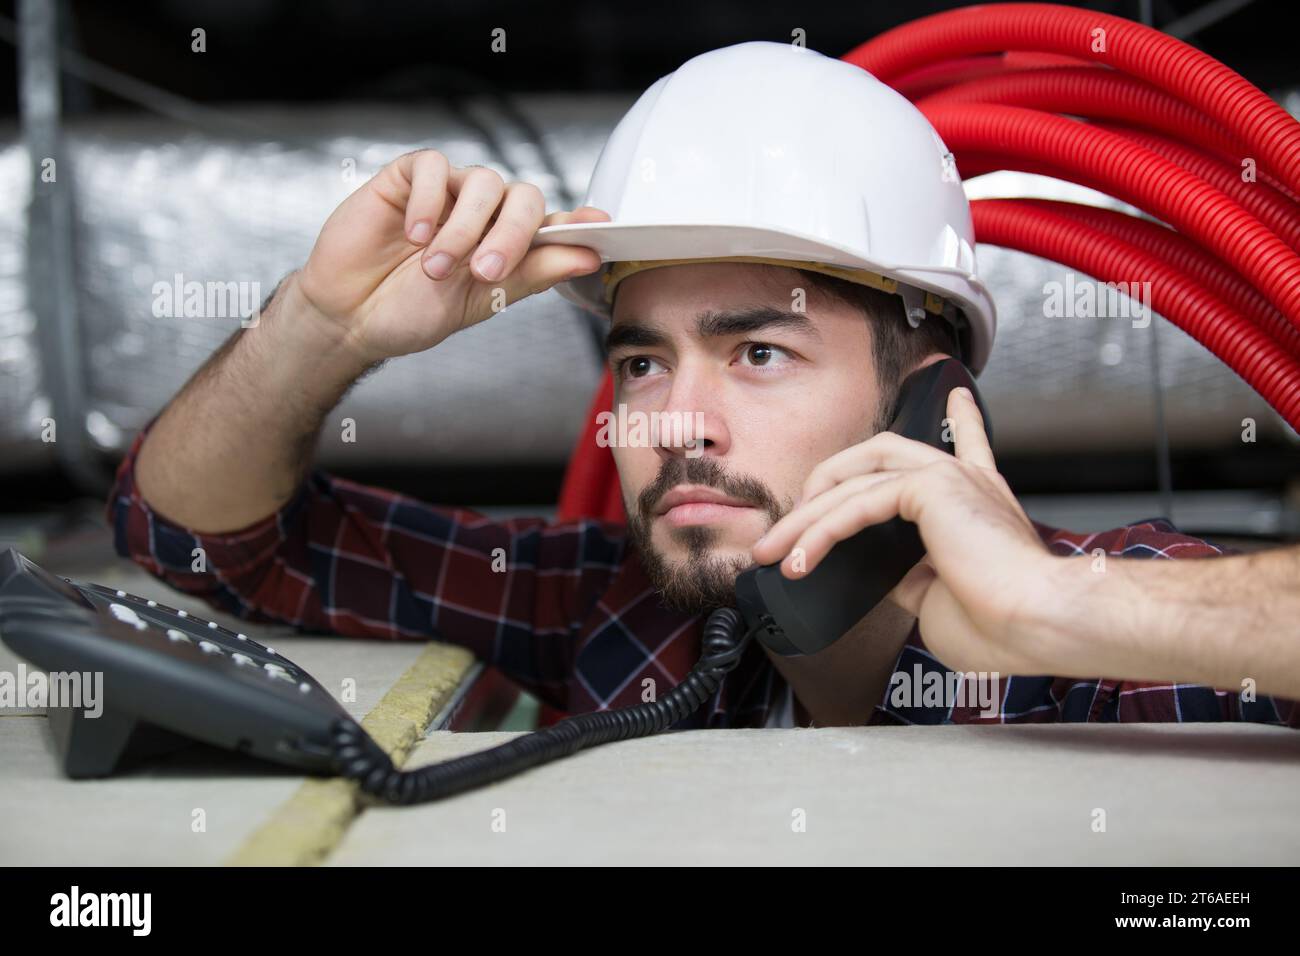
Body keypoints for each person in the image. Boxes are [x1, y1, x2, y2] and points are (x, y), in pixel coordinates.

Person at [107, 42, 1297, 729]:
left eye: (758, 351)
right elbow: (202, 538)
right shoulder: (611, 611)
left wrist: (1060, 609)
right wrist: (321, 328)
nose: (675, 418)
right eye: (640, 360)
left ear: (930, 403)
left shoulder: (1123, 629)